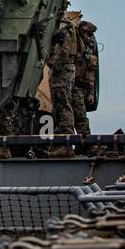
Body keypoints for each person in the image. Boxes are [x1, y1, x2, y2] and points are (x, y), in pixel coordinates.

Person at [46, 15, 79, 156]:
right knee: (59, 107)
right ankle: (62, 144)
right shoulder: (68, 30)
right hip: (65, 70)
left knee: (63, 106)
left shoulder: (65, 31)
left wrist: (56, 67)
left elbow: (64, 51)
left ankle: (65, 144)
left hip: (62, 71)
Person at [73, 19, 98, 139]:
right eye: (88, 34)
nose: (90, 38)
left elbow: (91, 75)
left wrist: (91, 93)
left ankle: (86, 142)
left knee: (80, 117)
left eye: (91, 35)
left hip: (79, 88)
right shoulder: (74, 44)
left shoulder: (88, 52)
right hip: (72, 86)